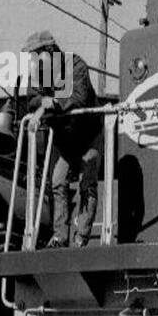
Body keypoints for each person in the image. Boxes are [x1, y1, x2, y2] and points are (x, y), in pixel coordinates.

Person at [23, 30, 100, 247]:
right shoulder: (39, 72)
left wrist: (53, 103)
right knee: (57, 181)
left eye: (36, 54)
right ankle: (59, 236)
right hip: (64, 137)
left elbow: (79, 98)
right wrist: (43, 102)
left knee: (88, 182)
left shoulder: (76, 65)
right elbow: (32, 99)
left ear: (49, 51)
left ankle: (81, 237)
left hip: (88, 134)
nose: (33, 60)